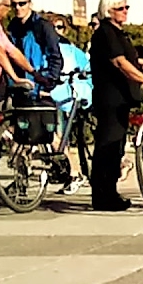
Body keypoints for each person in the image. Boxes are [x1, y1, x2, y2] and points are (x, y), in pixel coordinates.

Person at [89, 0, 143, 212]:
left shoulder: (117, 33)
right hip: (111, 98)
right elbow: (120, 63)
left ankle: (109, 192)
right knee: (108, 146)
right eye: (120, 8)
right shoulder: (106, 32)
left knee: (117, 146)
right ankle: (104, 196)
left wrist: (142, 63)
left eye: (126, 7)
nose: (125, 11)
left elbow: (127, 59)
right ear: (108, 10)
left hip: (120, 99)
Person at [0, 0, 35, 211]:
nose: (10, 10)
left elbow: (10, 49)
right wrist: (14, 76)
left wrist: (33, 72)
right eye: (7, 6)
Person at [7, 0, 64, 150]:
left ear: (30, 4)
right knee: (22, 132)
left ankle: (67, 163)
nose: (18, 8)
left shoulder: (42, 26)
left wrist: (49, 83)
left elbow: (55, 56)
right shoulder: (13, 27)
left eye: (22, 3)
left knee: (48, 133)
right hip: (21, 85)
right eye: (14, 4)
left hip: (41, 85)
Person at [49, 14, 92, 195]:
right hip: (49, 95)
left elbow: (87, 71)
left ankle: (74, 173)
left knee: (58, 137)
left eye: (59, 27)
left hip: (65, 97)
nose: (56, 31)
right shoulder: (43, 47)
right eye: (52, 27)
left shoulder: (71, 50)